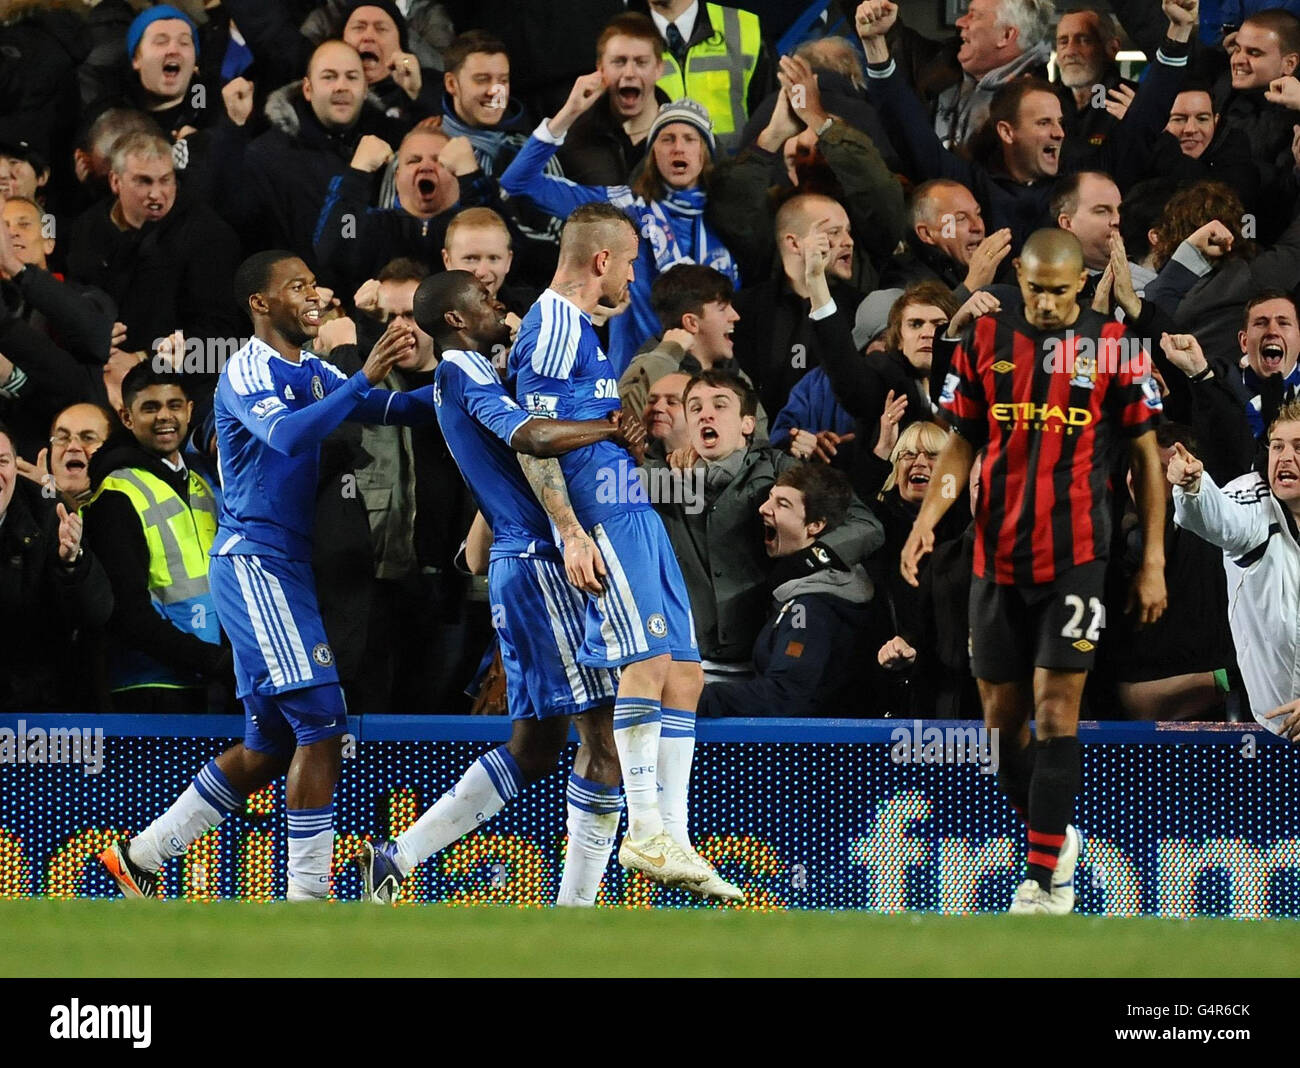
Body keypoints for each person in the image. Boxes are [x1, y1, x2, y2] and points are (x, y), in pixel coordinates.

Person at [356, 269, 729, 906]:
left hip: (515, 561)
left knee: (535, 746)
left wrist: (361, 386)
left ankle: (396, 858)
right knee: (605, 739)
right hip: (536, 562)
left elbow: (405, 414)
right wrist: (609, 430)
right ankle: (579, 909)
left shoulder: (459, 383)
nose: (497, 303)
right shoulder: (466, 372)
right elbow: (531, 437)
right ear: (454, 320)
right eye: (483, 299)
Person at [98, 249, 442, 901]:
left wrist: (465, 397)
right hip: (256, 561)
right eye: (297, 287)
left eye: (315, 284)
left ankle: (140, 857)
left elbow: (389, 413)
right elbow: (287, 437)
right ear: (261, 303)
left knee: (269, 748)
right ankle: (307, 898)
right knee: (323, 719)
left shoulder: (308, 369)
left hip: (282, 565)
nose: (314, 296)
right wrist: (362, 372)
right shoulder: (247, 369)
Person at [901, 228, 1169, 915]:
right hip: (995, 557)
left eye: (1059, 291)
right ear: (1017, 276)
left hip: (1079, 556)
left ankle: (1043, 883)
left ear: (1080, 282)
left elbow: (1145, 458)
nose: (1046, 304)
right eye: (1034, 289)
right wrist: (930, 516)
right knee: (1000, 726)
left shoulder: (1116, 345)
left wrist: (1154, 561)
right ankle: (1057, 839)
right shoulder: (984, 344)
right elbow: (961, 444)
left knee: (1056, 712)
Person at [509, 201, 736, 894]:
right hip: (603, 520)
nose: (635, 276)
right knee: (650, 658)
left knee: (686, 671)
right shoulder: (551, 323)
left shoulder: (582, 330)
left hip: (634, 508)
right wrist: (571, 530)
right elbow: (532, 437)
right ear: (600, 259)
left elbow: (577, 429)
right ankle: (645, 832)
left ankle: (675, 833)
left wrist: (630, 448)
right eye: (631, 262)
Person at [501, 81, 740, 373]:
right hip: (636, 381)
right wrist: (568, 114)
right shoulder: (622, 208)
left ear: (706, 152)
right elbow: (517, 181)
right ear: (652, 153)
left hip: (707, 385)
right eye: (667, 139)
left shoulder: (730, 220)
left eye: (690, 139)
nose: (678, 147)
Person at [83, 364, 230, 713]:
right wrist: (214, 661)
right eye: (150, 408)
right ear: (127, 417)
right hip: (149, 683)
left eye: (174, 405)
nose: (165, 416)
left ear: (190, 411)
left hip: (213, 680)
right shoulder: (116, 493)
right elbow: (125, 611)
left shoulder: (204, 483)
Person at [1169, 402, 1300, 739]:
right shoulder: (1254, 504)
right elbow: (1221, 518)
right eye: (1277, 446)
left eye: (1299, 447)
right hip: (1277, 729)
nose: (1284, 457)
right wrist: (1193, 488)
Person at [697, 463, 870, 717]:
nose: (763, 509)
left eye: (782, 504)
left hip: (815, 751)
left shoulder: (809, 609)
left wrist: (695, 696)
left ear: (815, 526)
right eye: (770, 498)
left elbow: (785, 695)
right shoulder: (804, 591)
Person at [0, 421, 114, 713]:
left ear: (14, 465)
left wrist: (72, 562)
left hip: (32, 713)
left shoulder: (48, 514)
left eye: (2, 461)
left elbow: (95, 612)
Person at [618, 263, 764, 436]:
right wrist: (666, 356)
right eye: (723, 308)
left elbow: (760, 443)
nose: (735, 316)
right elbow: (625, 425)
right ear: (692, 323)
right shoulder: (649, 365)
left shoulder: (734, 374)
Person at [646, 0, 772, 154]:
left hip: (735, 173)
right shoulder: (622, 37)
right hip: (654, 175)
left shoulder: (745, 27)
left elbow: (771, 119)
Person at [558, 13, 669, 186]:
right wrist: (566, 115)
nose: (630, 73)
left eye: (641, 62)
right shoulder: (575, 138)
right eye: (619, 62)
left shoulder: (689, 136)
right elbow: (519, 182)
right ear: (600, 68)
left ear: (659, 69)